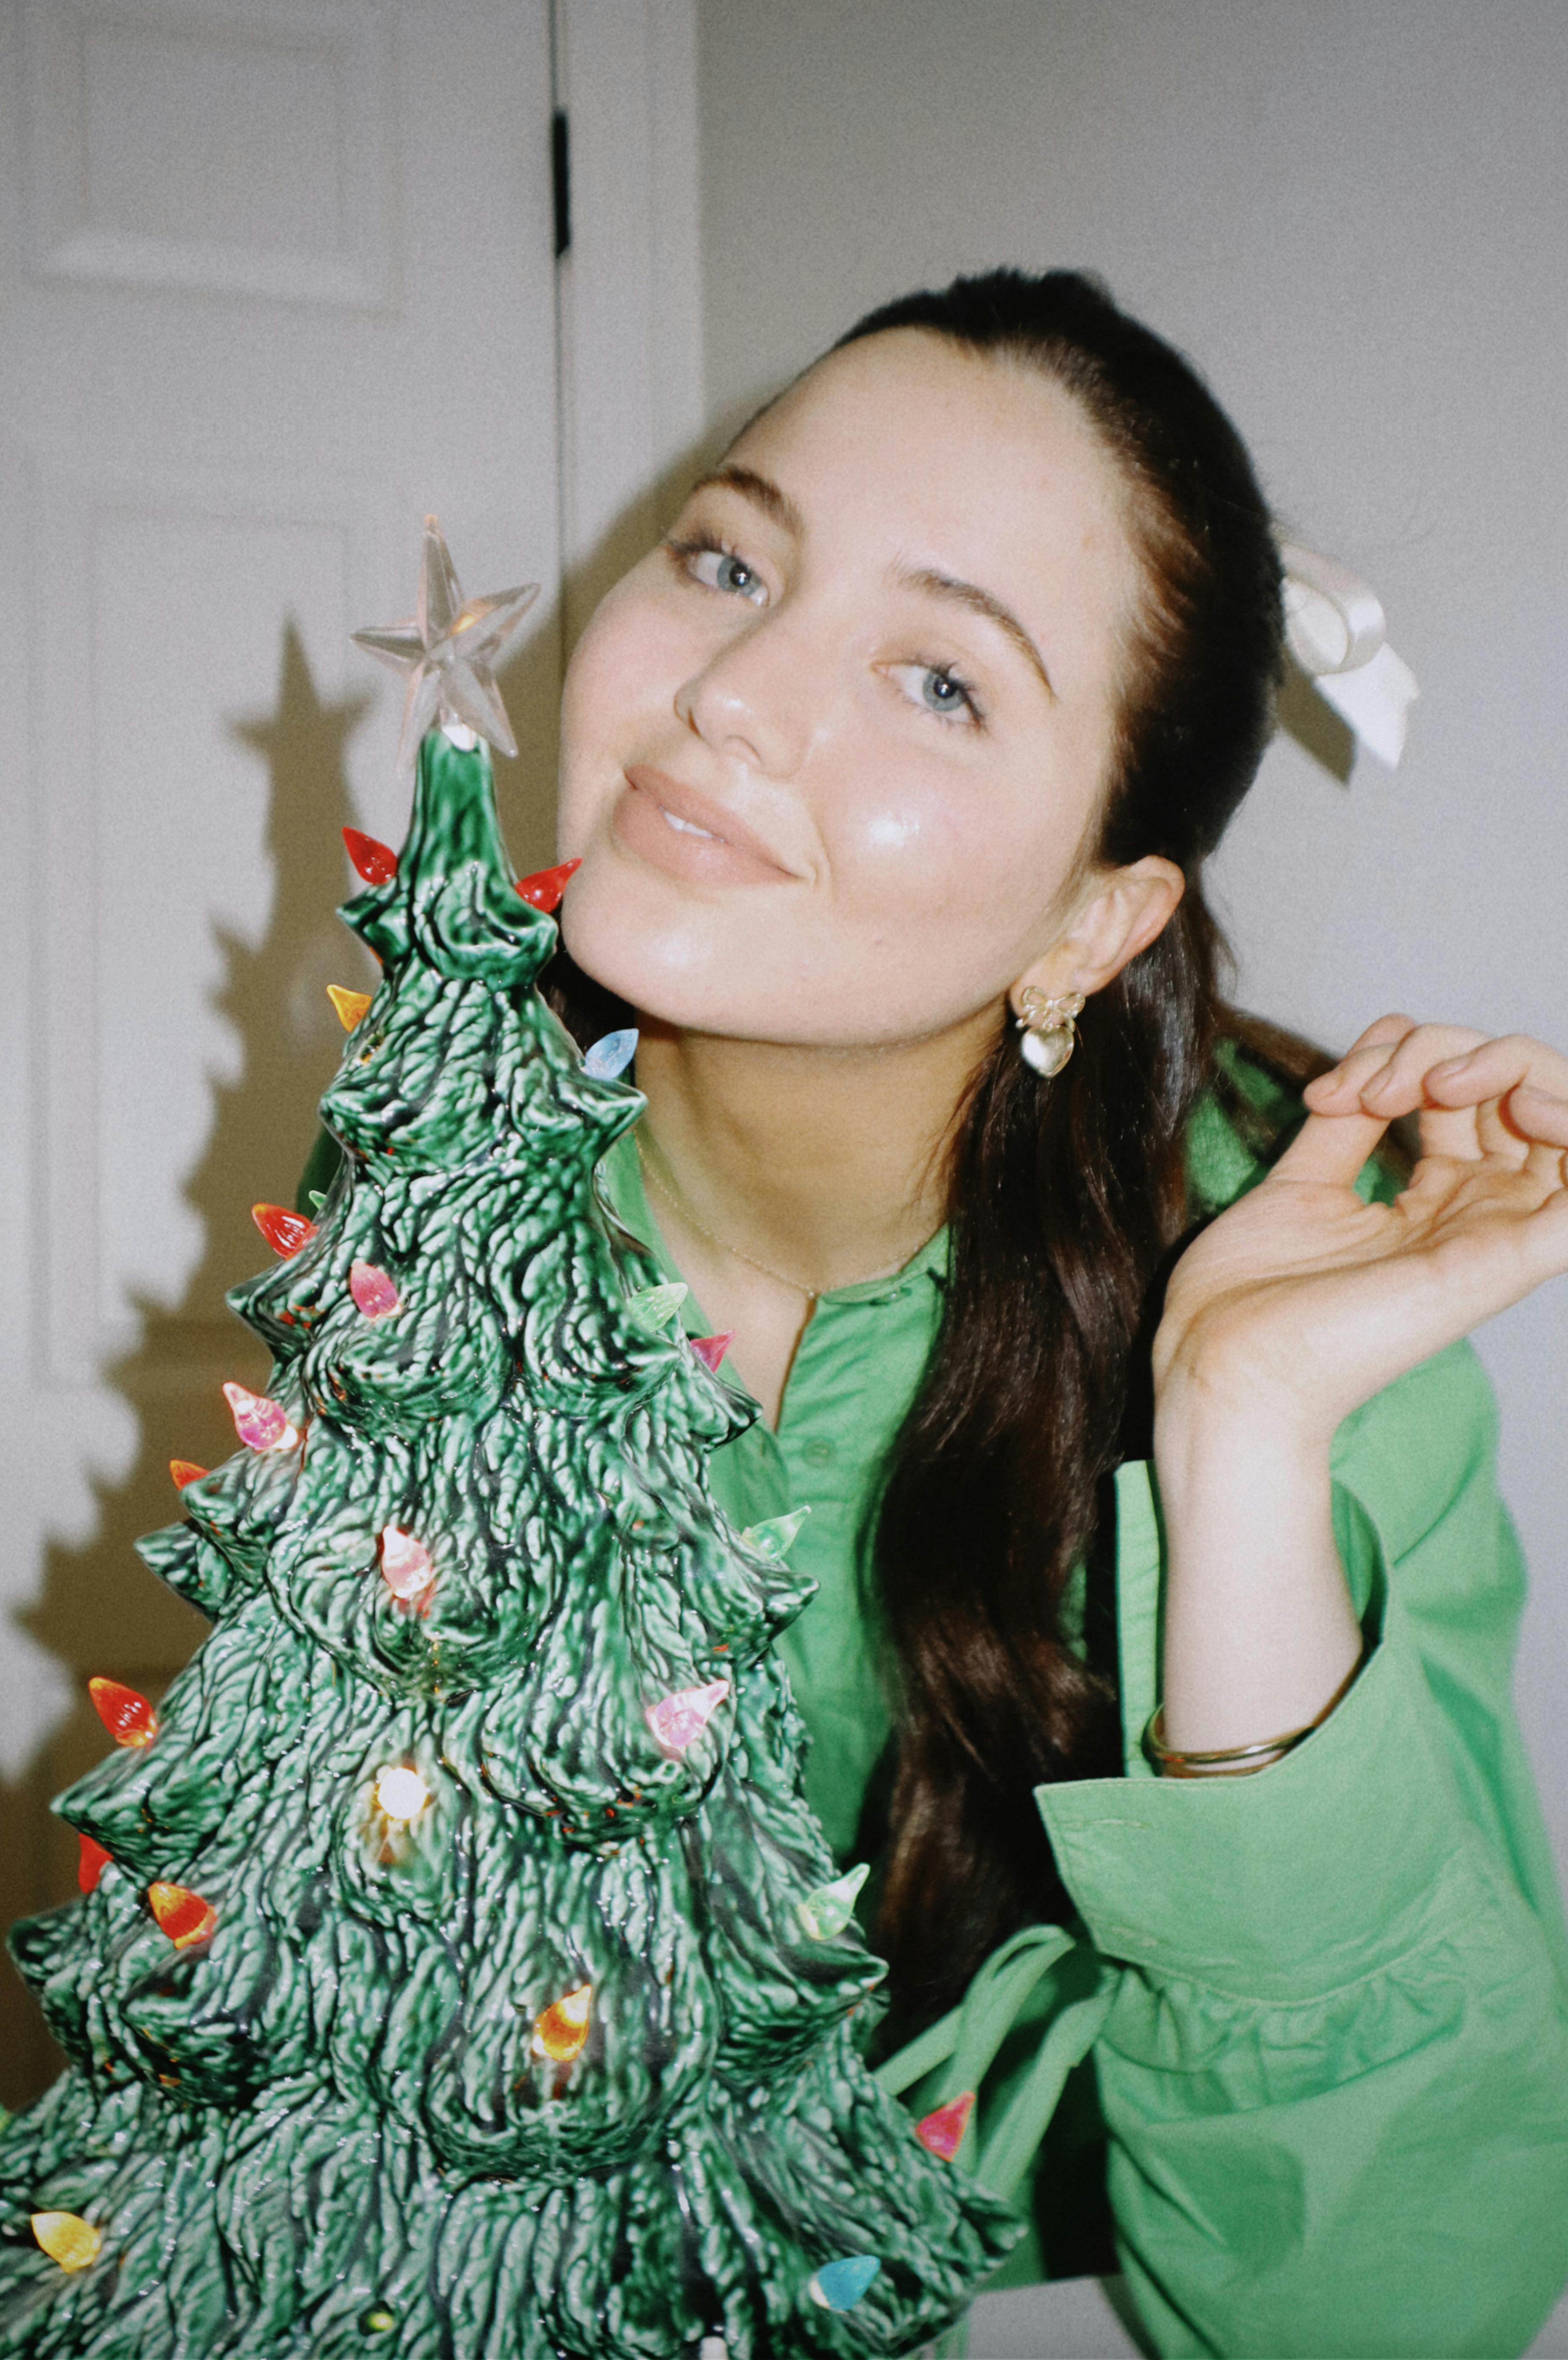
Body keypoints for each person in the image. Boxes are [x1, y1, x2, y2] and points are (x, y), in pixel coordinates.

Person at [537, 269, 1568, 2357]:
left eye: (938, 681)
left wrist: (1240, 1445)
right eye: (728, 559)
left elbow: (1383, 2315)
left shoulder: (1303, 1331)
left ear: (1094, 920)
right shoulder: (446, 1182)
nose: (732, 693)